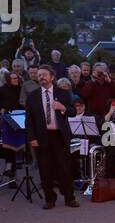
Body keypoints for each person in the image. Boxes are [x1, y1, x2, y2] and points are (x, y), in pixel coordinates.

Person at [25, 67, 80, 209]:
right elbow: (29, 120)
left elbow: (73, 111)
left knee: (65, 168)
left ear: (52, 77)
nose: (41, 77)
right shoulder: (32, 96)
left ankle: (69, 197)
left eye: (44, 74)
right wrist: (32, 137)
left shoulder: (63, 93)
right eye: (39, 75)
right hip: (42, 136)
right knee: (45, 169)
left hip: (60, 136)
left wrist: (63, 107)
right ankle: (49, 199)